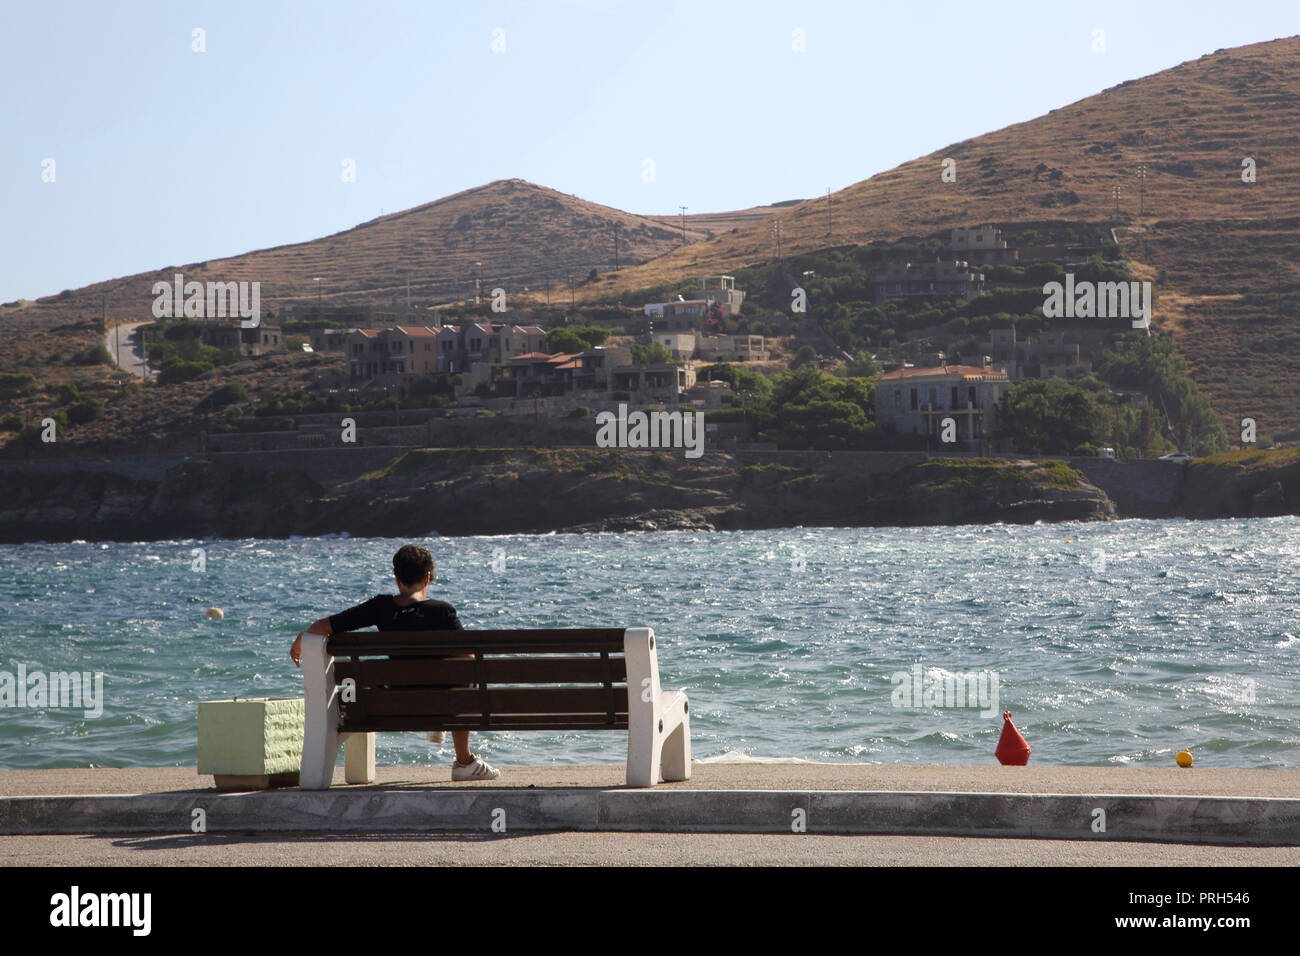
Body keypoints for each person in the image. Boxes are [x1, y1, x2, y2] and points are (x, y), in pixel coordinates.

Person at [290, 544, 500, 781]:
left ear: (397, 578)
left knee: (368, 683)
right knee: (464, 676)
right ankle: (464, 761)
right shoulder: (443, 612)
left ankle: (439, 716)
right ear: (427, 578)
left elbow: (323, 627)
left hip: (391, 702)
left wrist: (302, 638)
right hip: (442, 702)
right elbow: (468, 660)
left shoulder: (380, 608)